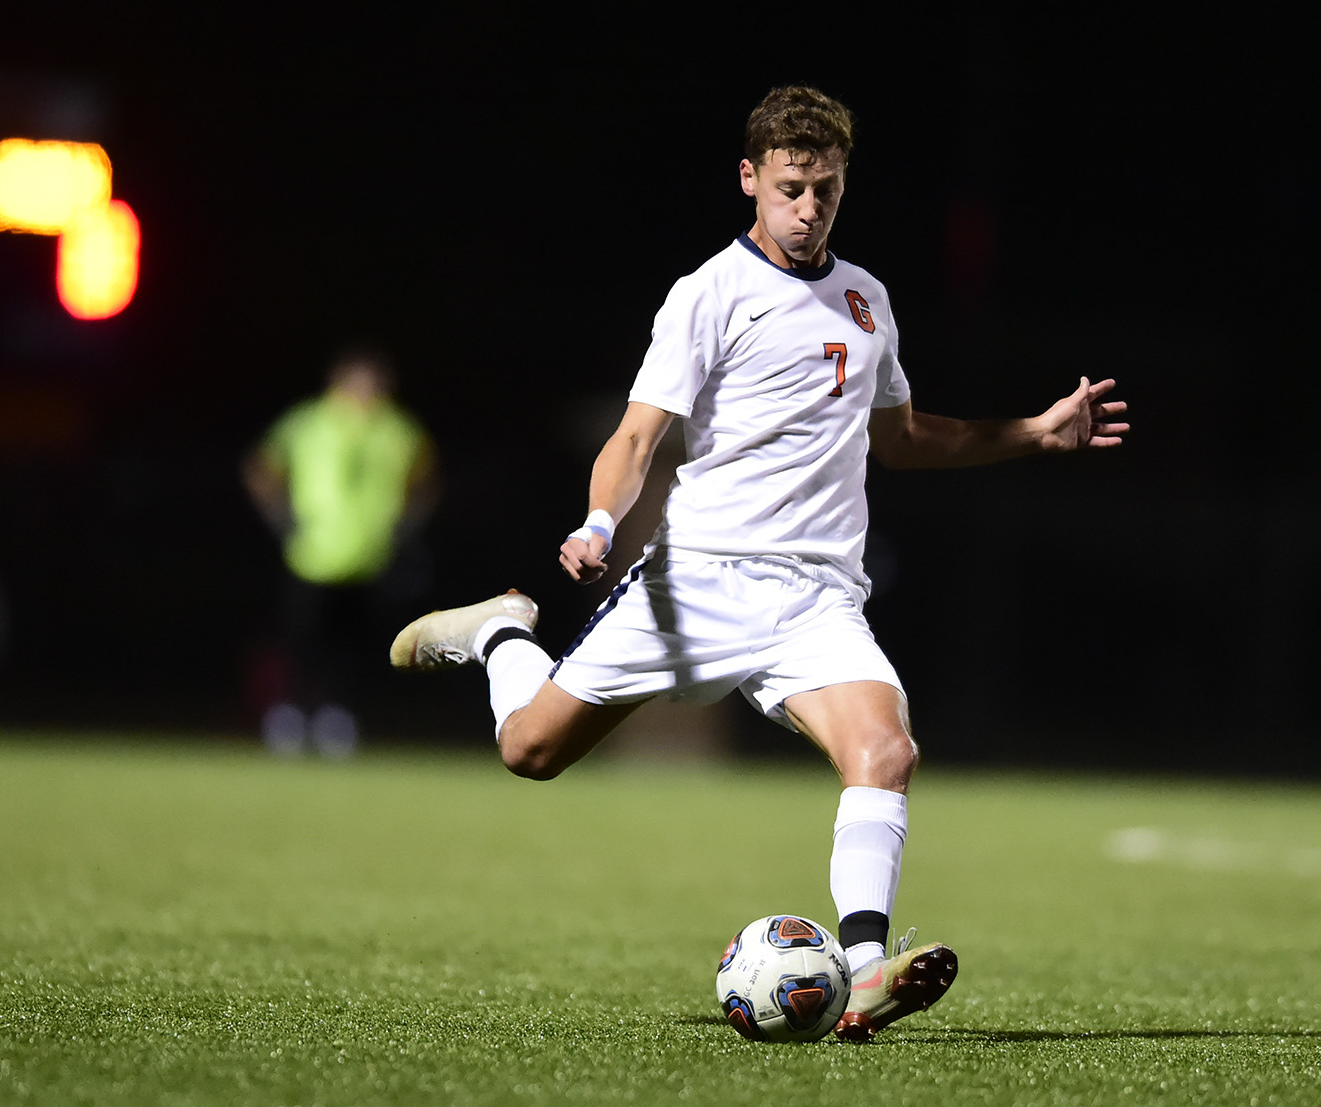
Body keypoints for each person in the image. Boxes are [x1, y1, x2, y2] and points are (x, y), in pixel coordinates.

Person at [389, 87, 1127, 1040]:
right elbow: (638, 436)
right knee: (529, 750)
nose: (809, 208)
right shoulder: (708, 294)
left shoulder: (866, 299)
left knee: (887, 751)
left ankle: (866, 969)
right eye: (790, 188)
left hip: (817, 598)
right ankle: (499, 631)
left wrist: (1033, 431)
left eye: (826, 190)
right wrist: (600, 523)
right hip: (699, 579)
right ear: (749, 179)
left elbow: (901, 439)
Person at [245, 349, 437, 756]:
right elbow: (260, 468)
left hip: (370, 557)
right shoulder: (308, 422)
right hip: (311, 554)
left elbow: (426, 479)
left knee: (353, 648)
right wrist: (282, 520)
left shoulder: (397, 429)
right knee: (301, 642)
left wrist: (405, 527)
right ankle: (289, 716)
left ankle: (336, 718)